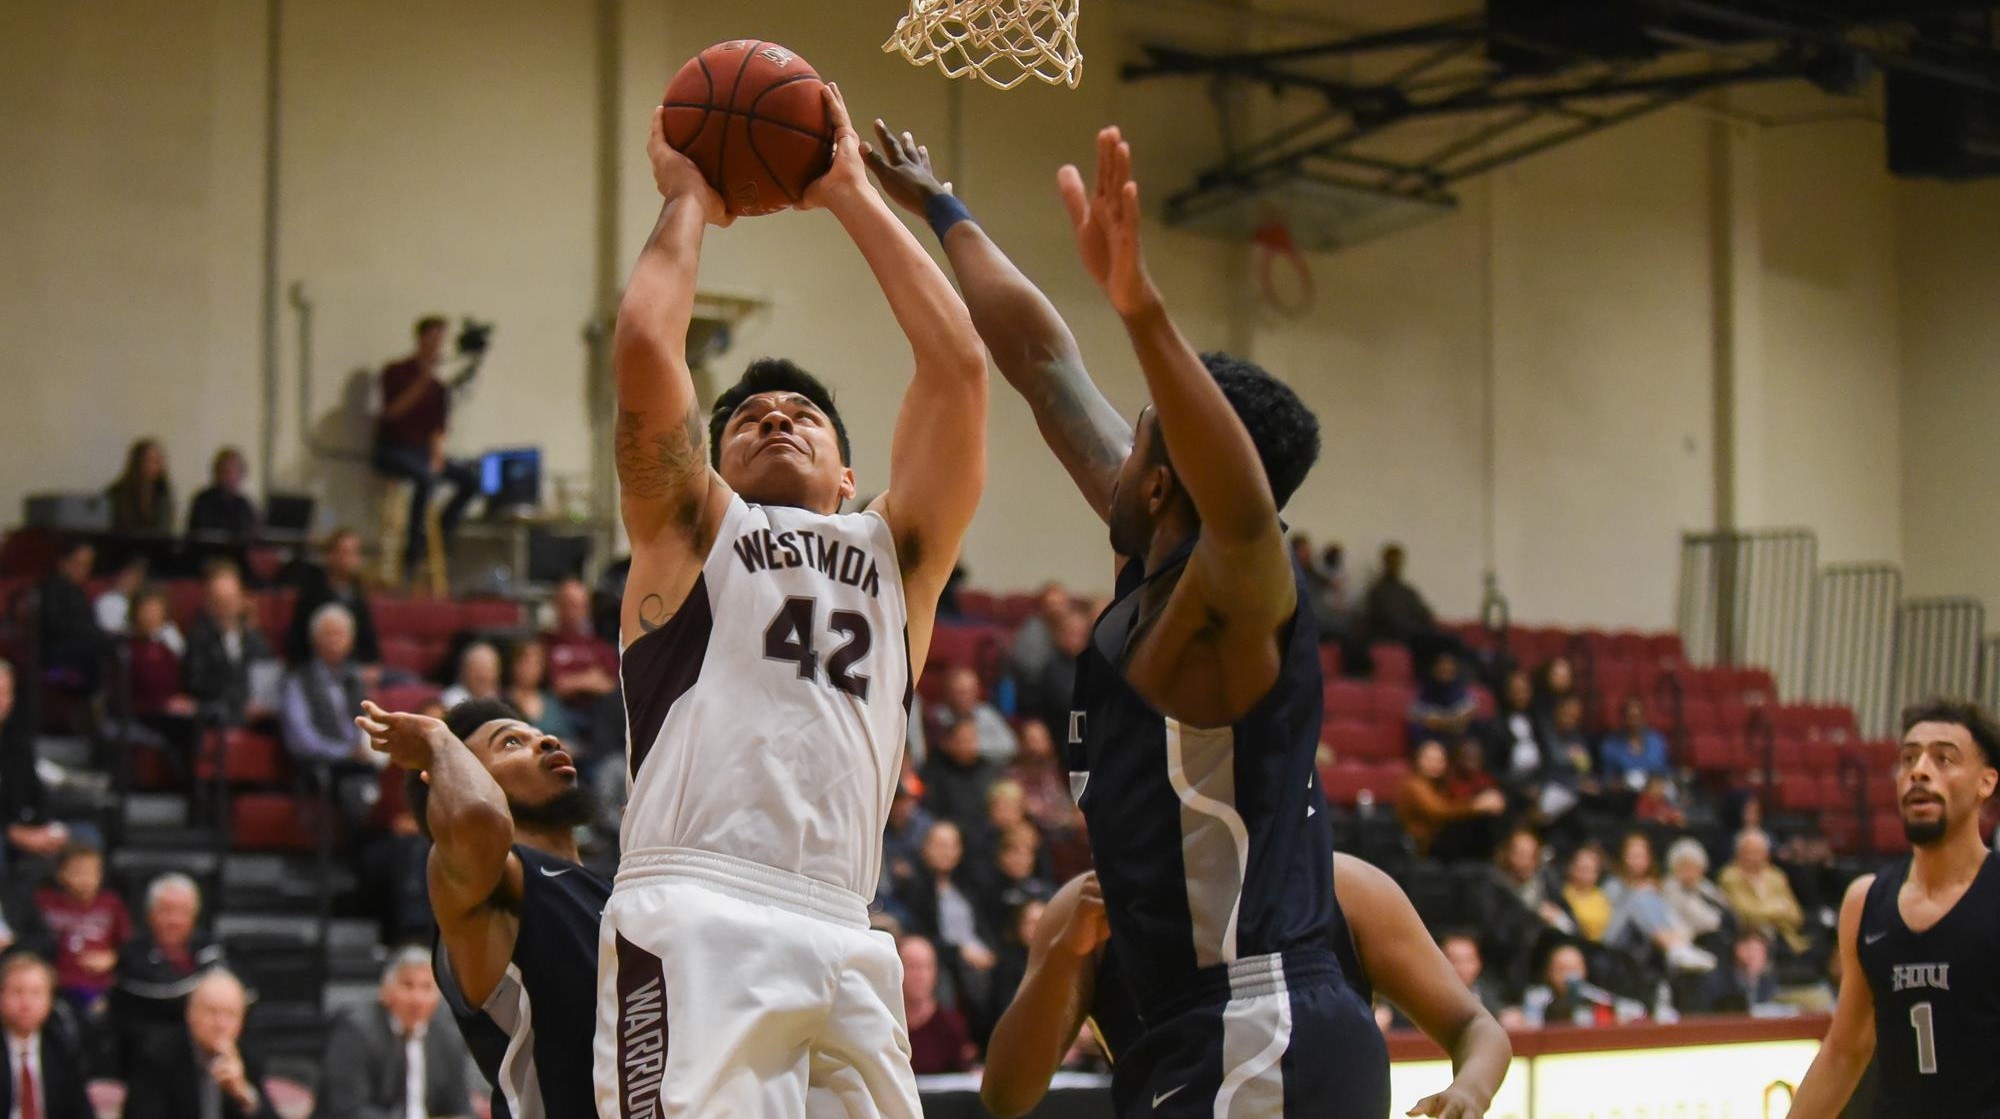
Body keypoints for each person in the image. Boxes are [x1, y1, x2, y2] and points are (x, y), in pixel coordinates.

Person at [869, 120, 1380, 1116]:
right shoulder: (1151, 548)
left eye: (1142, 428)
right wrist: (941, 207)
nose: (1120, 429)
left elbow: (1233, 507)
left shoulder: (1235, 600)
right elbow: (1042, 364)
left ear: (1159, 483)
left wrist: (1143, 307)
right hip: (1188, 1021)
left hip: (1260, 1016)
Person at [603, 86, 987, 1119]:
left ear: (849, 476)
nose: (775, 417)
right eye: (748, 418)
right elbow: (646, 349)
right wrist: (687, 196)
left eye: (804, 414)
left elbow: (957, 371)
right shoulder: (691, 528)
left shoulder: (899, 552)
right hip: (699, 906)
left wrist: (852, 191)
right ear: (713, 457)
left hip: (846, 929)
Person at [980, 855, 1512, 1119]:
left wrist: (1469, 1091)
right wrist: (1064, 955)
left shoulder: (1345, 886)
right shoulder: (1090, 903)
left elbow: (1475, 1025)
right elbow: (1006, 1096)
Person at [354, 698, 608, 1119]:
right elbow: (474, 816)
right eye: (510, 743)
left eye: (536, 734)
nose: (545, 740)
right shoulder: (489, 885)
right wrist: (438, 742)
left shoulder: (615, 890)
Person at [1788, 698, 2000, 1117]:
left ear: (1986, 783)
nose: (1919, 770)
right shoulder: (1865, 902)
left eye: (1944, 758)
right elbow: (1845, 1051)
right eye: (1908, 759)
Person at [374, 316, 481, 578]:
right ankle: (414, 549)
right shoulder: (395, 372)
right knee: (425, 476)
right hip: (393, 449)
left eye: (440, 340)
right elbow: (392, 413)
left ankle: (443, 532)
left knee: (471, 480)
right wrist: (422, 380)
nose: (436, 345)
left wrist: (437, 457)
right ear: (420, 339)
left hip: (422, 453)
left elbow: (437, 431)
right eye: (432, 338)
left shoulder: (438, 388)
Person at [314, 947, 475, 1119]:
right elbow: (348, 1111)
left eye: (427, 987)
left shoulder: (447, 1038)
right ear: (385, 991)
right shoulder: (354, 1031)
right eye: (408, 986)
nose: (417, 999)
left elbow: (461, 1109)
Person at [123, 969, 277, 1119]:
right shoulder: (157, 1056)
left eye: (230, 1014)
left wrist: (242, 1094)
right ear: (191, 1013)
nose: (221, 1024)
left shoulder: (246, 1056)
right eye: (212, 1012)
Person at [111, 873, 224, 1070]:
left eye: (183, 912)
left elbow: (238, 993)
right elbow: (167, 995)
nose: (175, 920)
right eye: (166, 911)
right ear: (150, 914)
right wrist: (205, 993)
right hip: (145, 1058)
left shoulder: (208, 947)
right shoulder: (132, 953)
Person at [34, 841, 130, 1014]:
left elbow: (129, 945)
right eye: (78, 872)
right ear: (60, 874)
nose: (86, 879)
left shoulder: (111, 904)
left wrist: (112, 958)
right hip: (56, 985)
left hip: (98, 986)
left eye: (92, 872)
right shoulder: (44, 902)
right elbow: (30, 940)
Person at [1603, 832, 1716, 973]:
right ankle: (1677, 949)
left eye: (1641, 856)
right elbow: (1611, 919)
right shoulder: (1613, 884)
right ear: (1622, 858)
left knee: (1650, 896)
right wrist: (1636, 892)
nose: (1637, 861)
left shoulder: (1655, 885)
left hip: (1642, 948)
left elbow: (1666, 916)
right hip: (1612, 942)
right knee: (1640, 898)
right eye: (1632, 856)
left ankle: (1680, 946)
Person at [0, 954, 93, 1119]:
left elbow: (79, 1109)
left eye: (36, 993)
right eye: (17, 992)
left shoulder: (62, 1048)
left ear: (50, 1000)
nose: (26, 1003)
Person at [183, 563, 277, 727]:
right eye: (219, 600)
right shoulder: (198, 638)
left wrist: (259, 704)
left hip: (255, 717)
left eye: (230, 599)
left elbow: (266, 679)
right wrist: (240, 703)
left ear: (241, 599)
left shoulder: (255, 639)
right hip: (215, 717)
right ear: (208, 601)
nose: (225, 607)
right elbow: (196, 683)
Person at [280, 605, 372, 768]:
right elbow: (301, 740)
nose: (334, 641)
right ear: (314, 639)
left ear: (351, 640)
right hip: (321, 769)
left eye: (340, 634)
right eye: (329, 634)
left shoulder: (355, 679)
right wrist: (345, 753)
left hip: (359, 765)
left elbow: (366, 726)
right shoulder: (298, 680)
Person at [1, 660, 71, 872]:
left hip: (18, 827)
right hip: (6, 833)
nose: (1, 701)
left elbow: (35, 791)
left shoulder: (17, 740)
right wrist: (11, 832)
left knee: (85, 836)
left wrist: (44, 827)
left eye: (5, 693)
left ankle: (51, 905)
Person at [1395, 740, 1505, 862]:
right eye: (1429, 759)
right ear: (1418, 760)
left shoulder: (1439, 785)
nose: (1434, 764)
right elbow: (1439, 812)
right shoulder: (1414, 785)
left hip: (1440, 839)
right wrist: (1477, 806)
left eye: (1439, 760)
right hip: (1425, 844)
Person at [286, 529, 382, 666]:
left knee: (406, 680)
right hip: (323, 666)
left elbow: (368, 636)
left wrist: (373, 664)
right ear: (330, 555)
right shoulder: (313, 592)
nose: (350, 559)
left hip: (357, 664)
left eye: (354, 553)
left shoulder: (358, 593)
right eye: (345, 552)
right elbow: (301, 640)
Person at [1717, 827, 1811, 956]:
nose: (1755, 857)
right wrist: (1778, 909)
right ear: (1739, 853)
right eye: (1750, 852)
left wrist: (1765, 910)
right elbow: (1746, 913)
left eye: (1760, 852)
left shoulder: (1776, 876)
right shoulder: (1729, 876)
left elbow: (1796, 915)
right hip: (1749, 938)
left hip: (1785, 938)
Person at [538, 578, 617, 729]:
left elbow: (610, 685)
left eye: (577, 605)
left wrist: (573, 682)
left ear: (586, 609)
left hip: (597, 716)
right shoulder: (545, 642)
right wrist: (590, 678)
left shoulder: (600, 646)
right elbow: (558, 685)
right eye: (567, 604)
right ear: (557, 606)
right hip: (559, 715)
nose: (572, 610)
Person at [899, 935, 977, 1075]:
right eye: (912, 967)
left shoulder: (952, 1024)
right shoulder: (885, 1023)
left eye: (926, 967)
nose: (920, 976)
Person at [37, 541, 106, 696]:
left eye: (88, 565)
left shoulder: (78, 591)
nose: (84, 570)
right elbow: (56, 627)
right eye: (79, 564)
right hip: (56, 667)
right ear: (63, 563)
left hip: (82, 656)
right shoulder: (51, 590)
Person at [924, 666, 1017, 765]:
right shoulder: (936, 718)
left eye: (970, 691)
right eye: (960, 692)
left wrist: (973, 747)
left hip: (982, 770)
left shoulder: (986, 713)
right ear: (948, 692)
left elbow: (1010, 746)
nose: (966, 697)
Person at [920, 719, 1001, 828]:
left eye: (971, 740)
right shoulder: (933, 771)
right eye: (962, 740)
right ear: (948, 742)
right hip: (949, 831)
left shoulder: (989, 770)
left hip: (987, 832)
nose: (967, 745)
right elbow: (929, 809)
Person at [1660, 836, 1733, 949]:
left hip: (1713, 936)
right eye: (1685, 866)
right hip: (1688, 940)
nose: (1690, 871)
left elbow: (1725, 906)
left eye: (1694, 866)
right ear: (1674, 867)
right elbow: (1703, 920)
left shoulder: (1705, 886)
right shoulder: (1670, 888)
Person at [1362, 544, 1437, 651]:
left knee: (1450, 642)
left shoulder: (1407, 591)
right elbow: (1381, 620)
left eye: (1398, 562)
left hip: (1418, 634)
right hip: (1397, 637)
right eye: (1391, 562)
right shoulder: (1377, 591)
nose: (1395, 566)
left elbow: (1425, 614)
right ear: (1385, 564)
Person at [501, 640, 574, 742]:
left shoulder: (552, 702)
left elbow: (570, 741)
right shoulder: (502, 701)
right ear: (513, 664)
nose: (530, 668)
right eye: (525, 661)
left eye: (537, 662)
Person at [1690, 930, 1777, 1015]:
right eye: (1751, 950)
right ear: (1738, 949)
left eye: (1760, 952)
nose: (1754, 956)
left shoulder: (1766, 982)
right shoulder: (1714, 981)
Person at [186, 448, 260, 541]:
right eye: (226, 470)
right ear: (216, 472)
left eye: (236, 470)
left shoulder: (244, 505)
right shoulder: (203, 500)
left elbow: (253, 535)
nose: (230, 475)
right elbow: (201, 535)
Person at [1599, 694, 1671, 790]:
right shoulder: (1610, 746)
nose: (1634, 723)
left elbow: (1664, 771)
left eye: (1638, 717)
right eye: (1630, 718)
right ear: (1623, 718)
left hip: (1657, 792)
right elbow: (1607, 780)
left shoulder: (1657, 741)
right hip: (1627, 795)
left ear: (1644, 717)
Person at [107, 438, 174, 535]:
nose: (158, 465)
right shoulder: (119, 492)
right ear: (139, 462)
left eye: (159, 460)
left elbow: (165, 529)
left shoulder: (162, 492)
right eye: (152, 460)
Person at [1408, 652, 1477, 747]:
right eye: (1442, 665)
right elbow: (1414, 714)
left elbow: (1465, 717)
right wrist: (1450, 722)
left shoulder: (1461, 691)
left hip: (1456, 740)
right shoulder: (1424, 691)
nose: (1446, 668)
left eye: (1450, 665)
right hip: (1431, 740)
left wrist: (1439, 722)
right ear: (1434, 668)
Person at [1440, 932, 1512, 1020]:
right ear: (1441, 963)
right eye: (1455, 960)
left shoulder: (1490, 995)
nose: (1462, 968)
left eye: (1468, 960)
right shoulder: (1429, 997)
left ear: (1478, 963)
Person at [1559, 845, 1613, 943]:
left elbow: (1596, 924)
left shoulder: (1600, 898)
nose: (1583, 874)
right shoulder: (1560, 891)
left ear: (1596, 874)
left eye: (1588, 869)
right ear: (1571, 868)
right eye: (1580, 868)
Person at [439, 642, 502, 709]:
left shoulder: (500, 699)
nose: (483, 675)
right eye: (476, 669)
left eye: (489, 670)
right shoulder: (451, 699)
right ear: (463, 672)